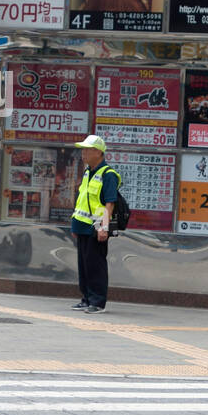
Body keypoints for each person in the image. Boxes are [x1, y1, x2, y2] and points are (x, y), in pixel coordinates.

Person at [71, 134, 121, 314]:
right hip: (83, 224)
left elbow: (109, 203)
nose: (83, 153)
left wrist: (104, 227)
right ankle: (86, 299)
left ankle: (97, 302)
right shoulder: (87, 172)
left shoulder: (108, 174)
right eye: (83, 149)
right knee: (84, 264)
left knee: (95, 265)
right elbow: (83, 200)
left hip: (97, 224)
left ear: (98, 152)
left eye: (87, 149)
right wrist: (75, 225)